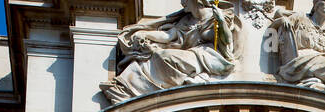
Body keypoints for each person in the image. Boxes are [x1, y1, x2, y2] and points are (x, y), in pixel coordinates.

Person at [100, 0, 239, 105]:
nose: (182, 2)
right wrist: (145, 35)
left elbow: (225, 41)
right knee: (157, 56)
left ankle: (186, 83)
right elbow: (168, 36)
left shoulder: (216, 17)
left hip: (208, 57)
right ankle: (130, 86)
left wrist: (221, 22)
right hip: (192, 54)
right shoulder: (187, 20)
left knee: (166, 57)